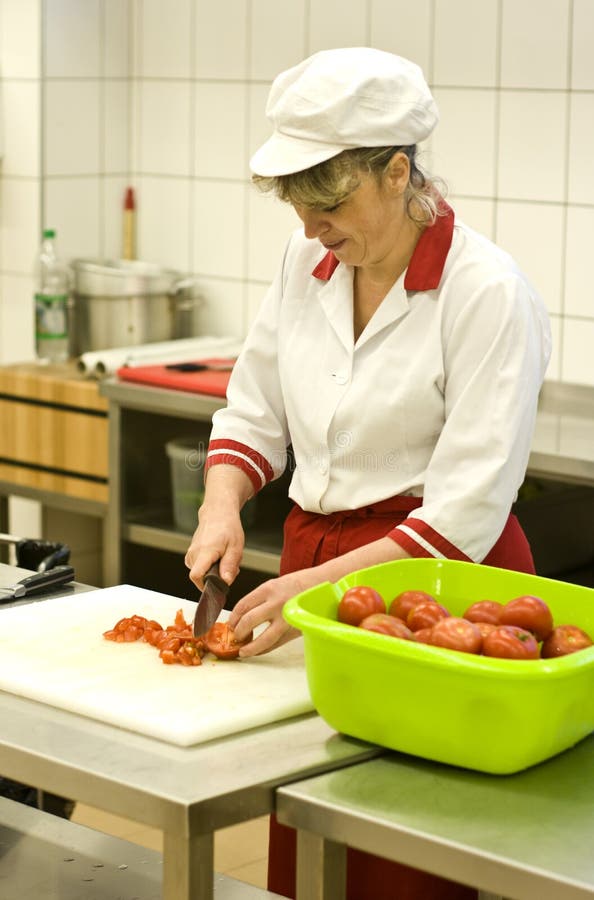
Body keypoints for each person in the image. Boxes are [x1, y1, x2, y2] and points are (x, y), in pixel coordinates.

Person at [185, 47, 551, 900]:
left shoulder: (487, 293)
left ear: (398, 172)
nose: (313, 227)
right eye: (298, 206)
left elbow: (464, 511)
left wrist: (315, 587)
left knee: (415, 848)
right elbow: (254, 412)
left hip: (443, 596)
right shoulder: (306, 262)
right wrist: (221, 504)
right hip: (327, 565)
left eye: (330, 202)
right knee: (317, 826)